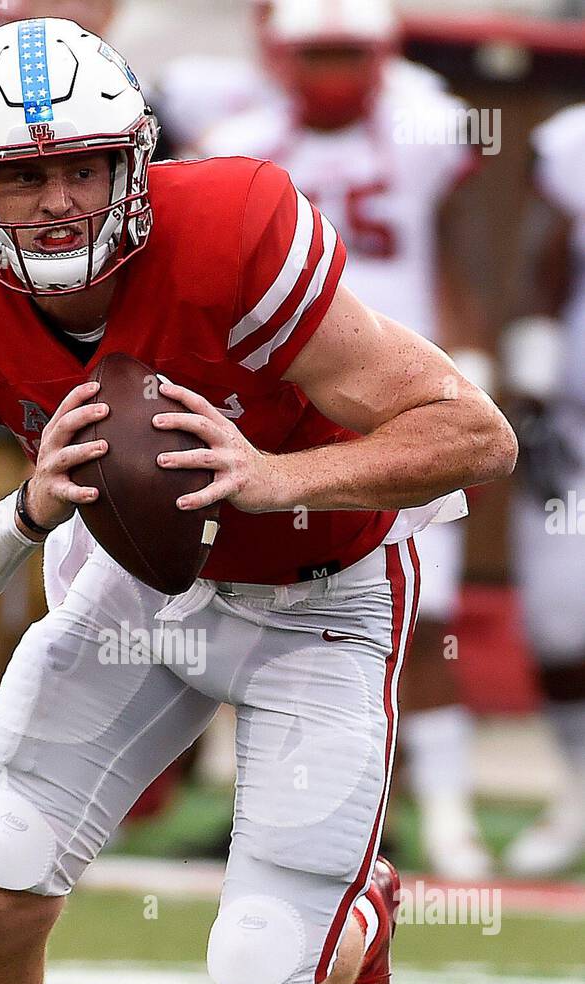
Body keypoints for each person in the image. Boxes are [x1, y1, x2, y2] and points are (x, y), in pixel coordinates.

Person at [0, 18, 515, 984]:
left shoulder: (235, 231)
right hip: (124, 586)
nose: (56, 203)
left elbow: (475, 436)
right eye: (19, 175)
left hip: (325, 592)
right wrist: (28, 508)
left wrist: (268, 477)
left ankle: (354, 936)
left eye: (84, 168)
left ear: (137, 162)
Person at [199, 0, 497, 879]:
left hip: (404, 398)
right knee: (257, 606)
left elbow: (455, 247)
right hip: (282, 402)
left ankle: (445, 816)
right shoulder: (238, 132)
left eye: (345, 53)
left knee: (425, 610)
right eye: (314, 52)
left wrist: (475, 365)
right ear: (279, 54)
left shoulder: (427, 122)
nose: (330, 71)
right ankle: (269, 811)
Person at [501, 103, 585, 875]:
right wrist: (527, 396)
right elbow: (543, 272)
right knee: (562, 628)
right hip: (577, 433)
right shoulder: (571, 145)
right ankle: (578, 790)